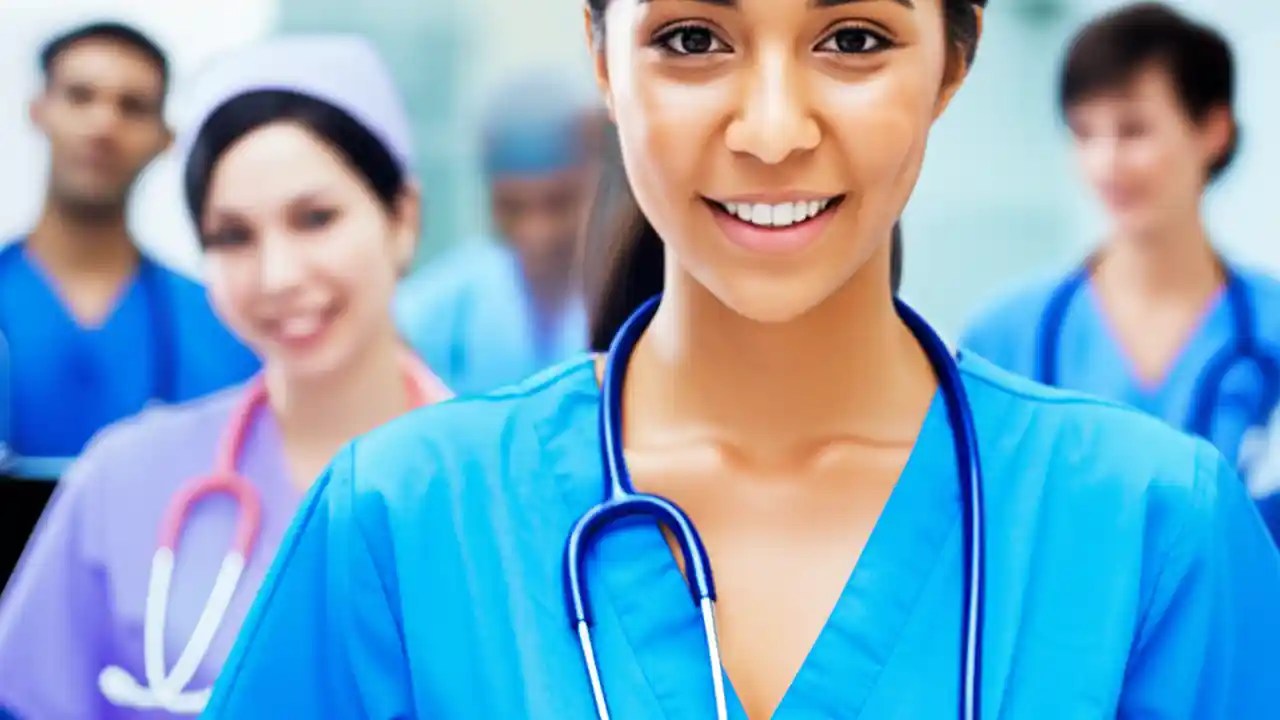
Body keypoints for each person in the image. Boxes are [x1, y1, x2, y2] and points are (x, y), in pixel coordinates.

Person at [207, 1, 1280, 717]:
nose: (771, 131)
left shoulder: (1154, 529)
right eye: (691, 38)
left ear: (952, 63)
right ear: (601, 58)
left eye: (852, 38)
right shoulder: (403, 521)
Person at [0, 35, 451, 719]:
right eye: (233, 236)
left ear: (403, 218)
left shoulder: (502, 488)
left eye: (315, 219)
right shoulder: (121, 481)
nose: (278, 275)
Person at [960, 3, 1280, 541]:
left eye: (1133, 131)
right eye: (1084, 133)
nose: (1105, 163)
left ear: (1213, 130)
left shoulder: (1269, 331)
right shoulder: (1005, 339)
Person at [0, 22, 258, 583]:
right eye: (81, 96)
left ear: (166, 138)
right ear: (38, 110)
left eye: (132, 106)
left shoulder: (224, 327)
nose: (103, 124)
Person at [394, 69, 598, 396]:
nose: (537, 233)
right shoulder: (442, 308)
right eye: (513, 206)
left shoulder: (639, 297)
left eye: (558, 203)